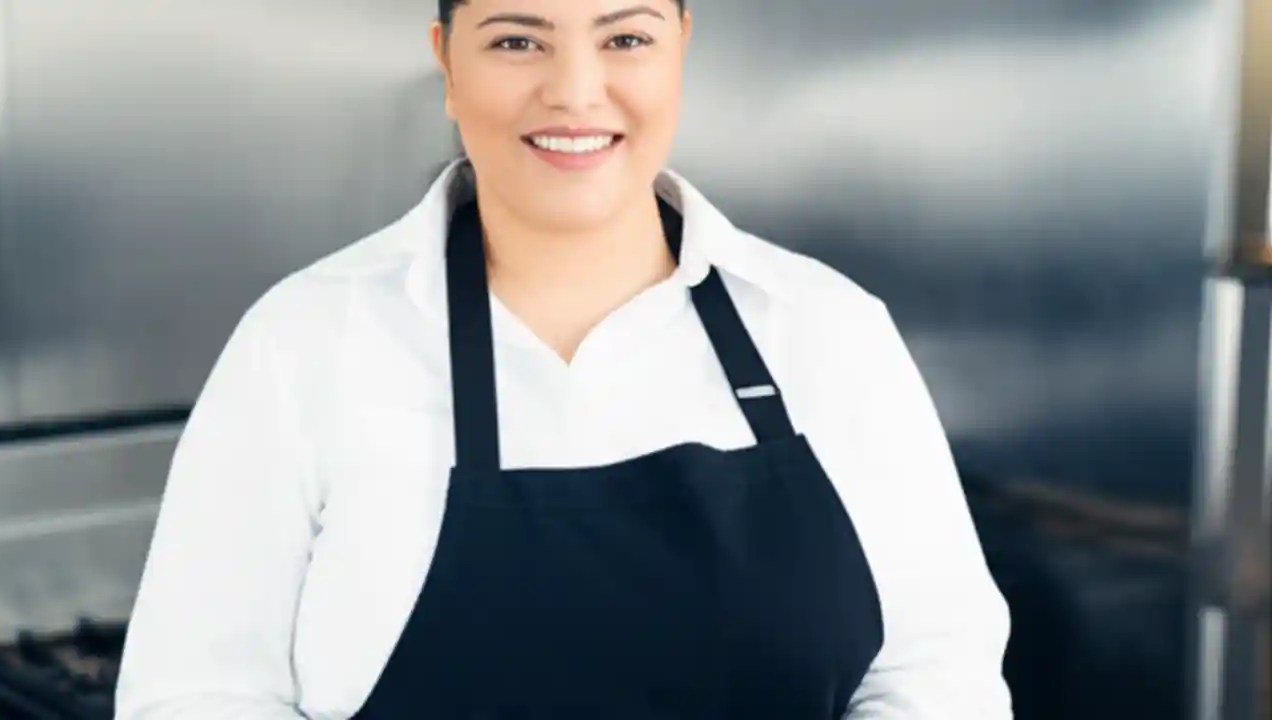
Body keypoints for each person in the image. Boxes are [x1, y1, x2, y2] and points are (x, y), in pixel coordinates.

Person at [114, 0, 1013, 717]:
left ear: (680, 48)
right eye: (517, 41)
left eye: (625, 36)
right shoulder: (306, 344)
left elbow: (940, 676)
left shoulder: (827, 330)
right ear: (447, 60)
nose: (577, 92)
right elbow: (195, 694)